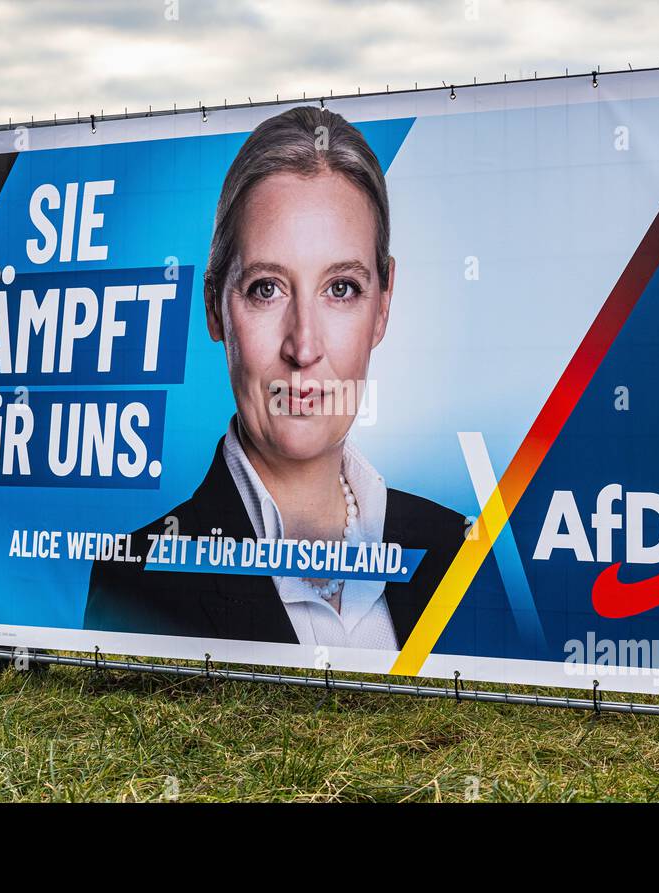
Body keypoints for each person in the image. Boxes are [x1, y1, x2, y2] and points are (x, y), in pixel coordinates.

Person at [84, 105, 474, 649]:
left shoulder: (463, 555)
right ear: (215, 308)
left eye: (341, 289)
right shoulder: (136, 585)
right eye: (267, 288)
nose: (304, 346)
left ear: (383, 304)